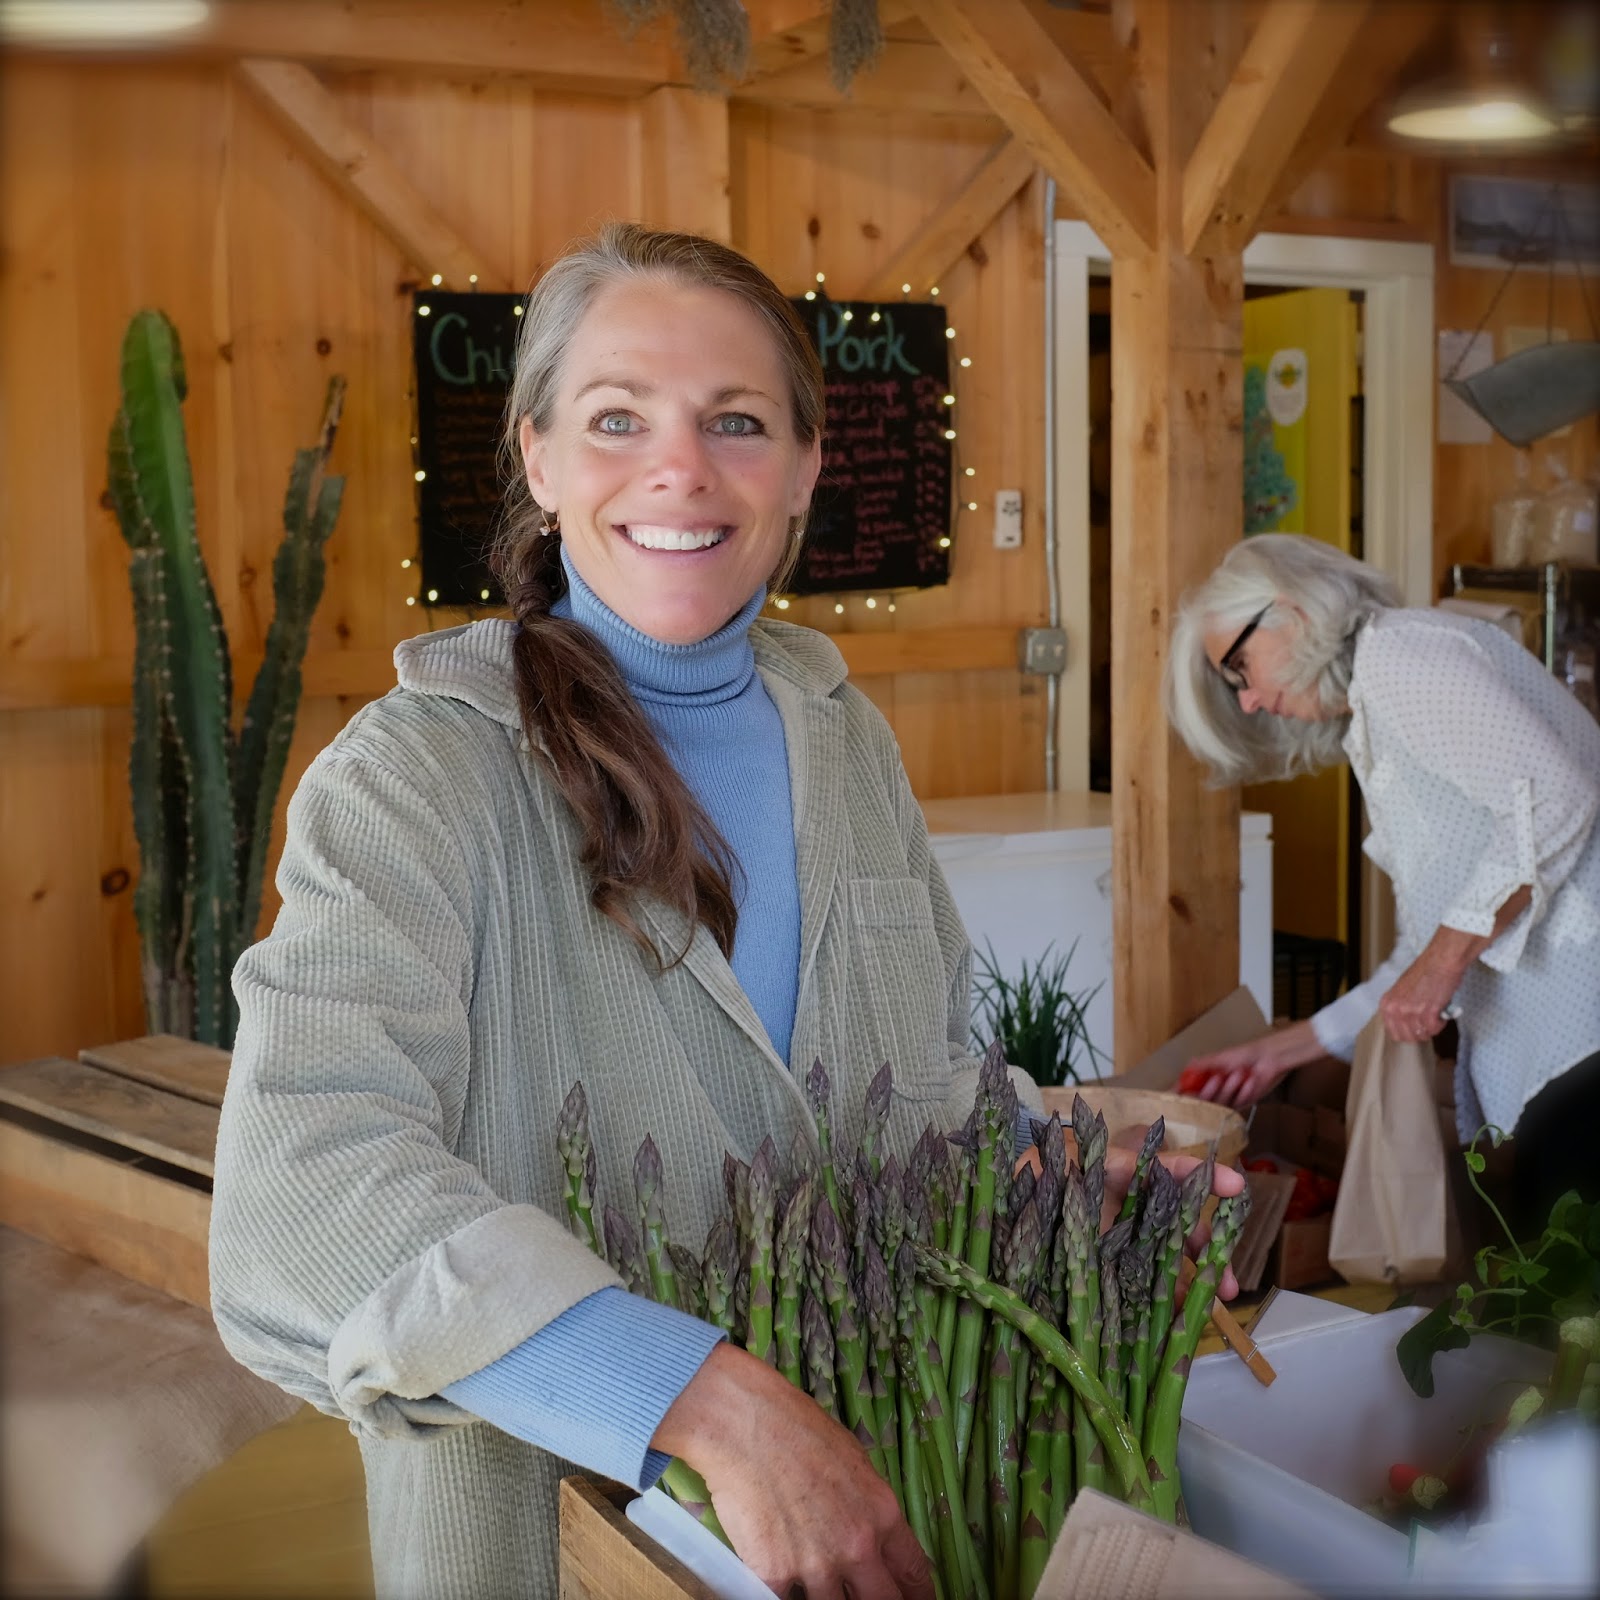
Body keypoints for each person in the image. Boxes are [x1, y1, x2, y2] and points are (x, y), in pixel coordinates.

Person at [210, 223, 1239, 1600]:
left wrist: (1047, 1166)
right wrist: (699, 1397)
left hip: (879, 1510)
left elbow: (909, 1085)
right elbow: (301, 1192)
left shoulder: (843, 735)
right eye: (618, 417)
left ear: (808, 466)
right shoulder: (421, 773)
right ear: (538, 456)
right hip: (541, 1552)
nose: (680, 469)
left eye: (736, 421)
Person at [1166, 533, 1600, 1232]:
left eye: (1239, 668)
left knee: (1568, 1310)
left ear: (1292, 613)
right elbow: (1421, 959)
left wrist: (1442, 962)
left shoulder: (1400, 657)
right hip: (1567, 1049)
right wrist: (1277, 1053)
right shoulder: (1380, 705)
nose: (1246, 702)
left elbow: (1557, 795)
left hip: (1585, 1032)